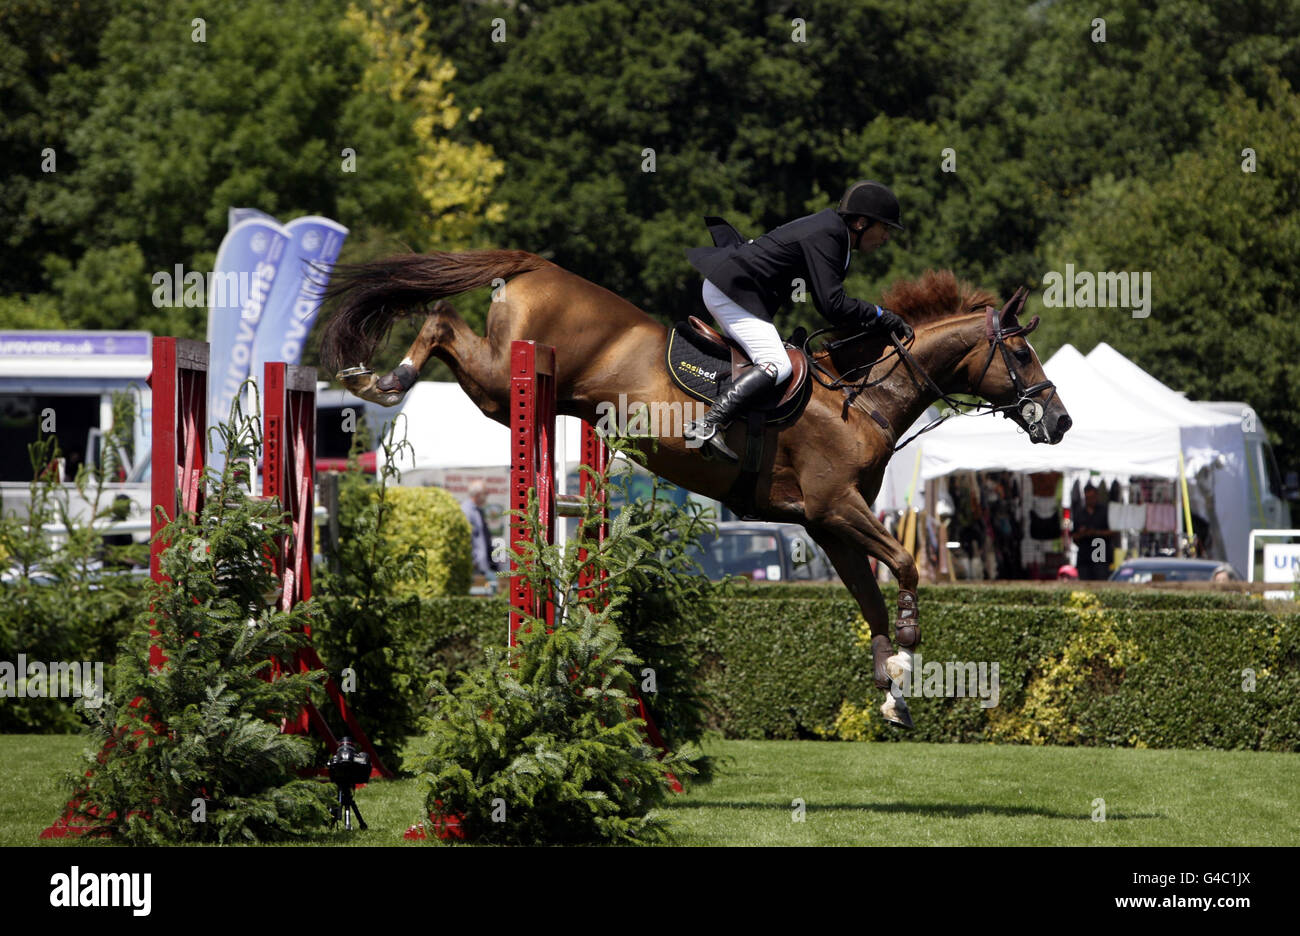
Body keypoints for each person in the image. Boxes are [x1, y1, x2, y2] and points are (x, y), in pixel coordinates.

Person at [682, 180, 910, 460]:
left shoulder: (834, 233)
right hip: (730, 291)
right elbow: (832, 305)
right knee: (777, 364)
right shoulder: (829, 235)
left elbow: (829, 305)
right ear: (861, 223)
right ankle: (707, 423)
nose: (886, 237)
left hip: (737, 290)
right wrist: (879, 314)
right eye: (884, 228)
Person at [1072, 483, 1117, 580]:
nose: (1090, 500)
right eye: (1088, 498)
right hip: (1084, 557)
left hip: (1101, 556)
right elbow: (1074, 537)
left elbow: (1114, 532)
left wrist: (1096, 533)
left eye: (1092, 497)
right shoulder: (1079, 513)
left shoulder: (1105, 511)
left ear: (1097, 496)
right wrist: (1083, 534)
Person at [460, 479, 496, 579]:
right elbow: (466, 538)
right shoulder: (467, 511)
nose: (487, 497)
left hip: (481, 566)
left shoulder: (476, 510)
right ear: (478, 494)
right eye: (486, 493)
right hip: (474, 567)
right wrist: (474, 560)